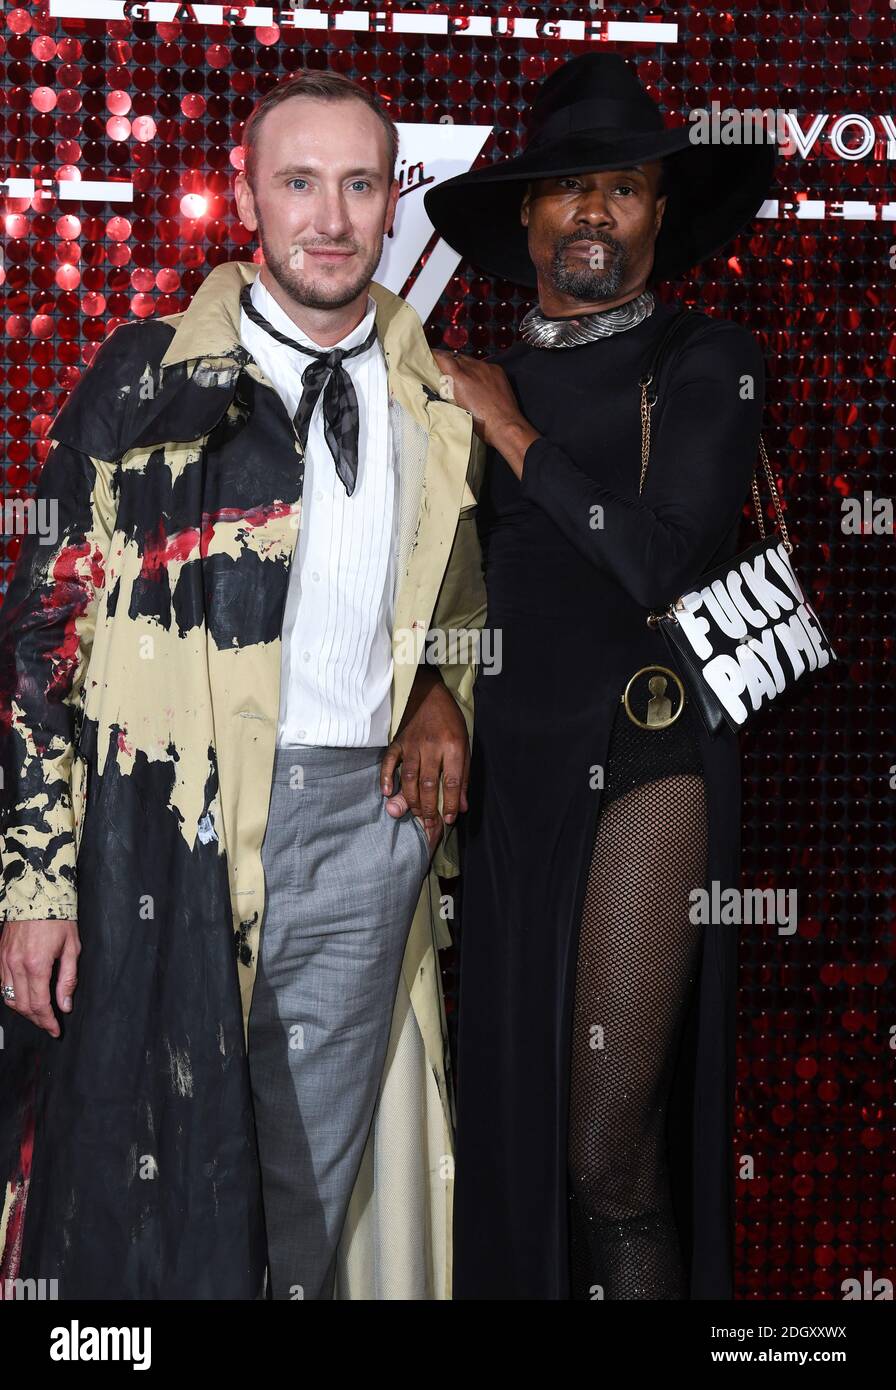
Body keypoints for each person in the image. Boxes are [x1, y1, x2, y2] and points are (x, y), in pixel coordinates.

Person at [0, 71, 485, 1300]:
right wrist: (35, 884)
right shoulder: (143, 378)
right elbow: (34, 641)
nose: (330, 217)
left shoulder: (438, 400)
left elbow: (462, 616)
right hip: (161, 826)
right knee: (145, 1172)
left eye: (359, 185)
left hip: (358, 829)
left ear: (393, 202)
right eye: (298, 182)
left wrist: (442, 696)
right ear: (249, 197)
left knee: (305, 1194)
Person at [425, 52, 776, 1299]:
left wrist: (509, 425)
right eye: (567, 187)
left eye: (619, 188)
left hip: (646, 758)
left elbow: (659, 560)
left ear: (655, 214)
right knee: (509, 1144)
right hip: (509, 775)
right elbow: (435, 585)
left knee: (604, 1153)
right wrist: (428, 694)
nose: (590, 211)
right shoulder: (447, 381)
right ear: (522, 213)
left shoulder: (701, 355)